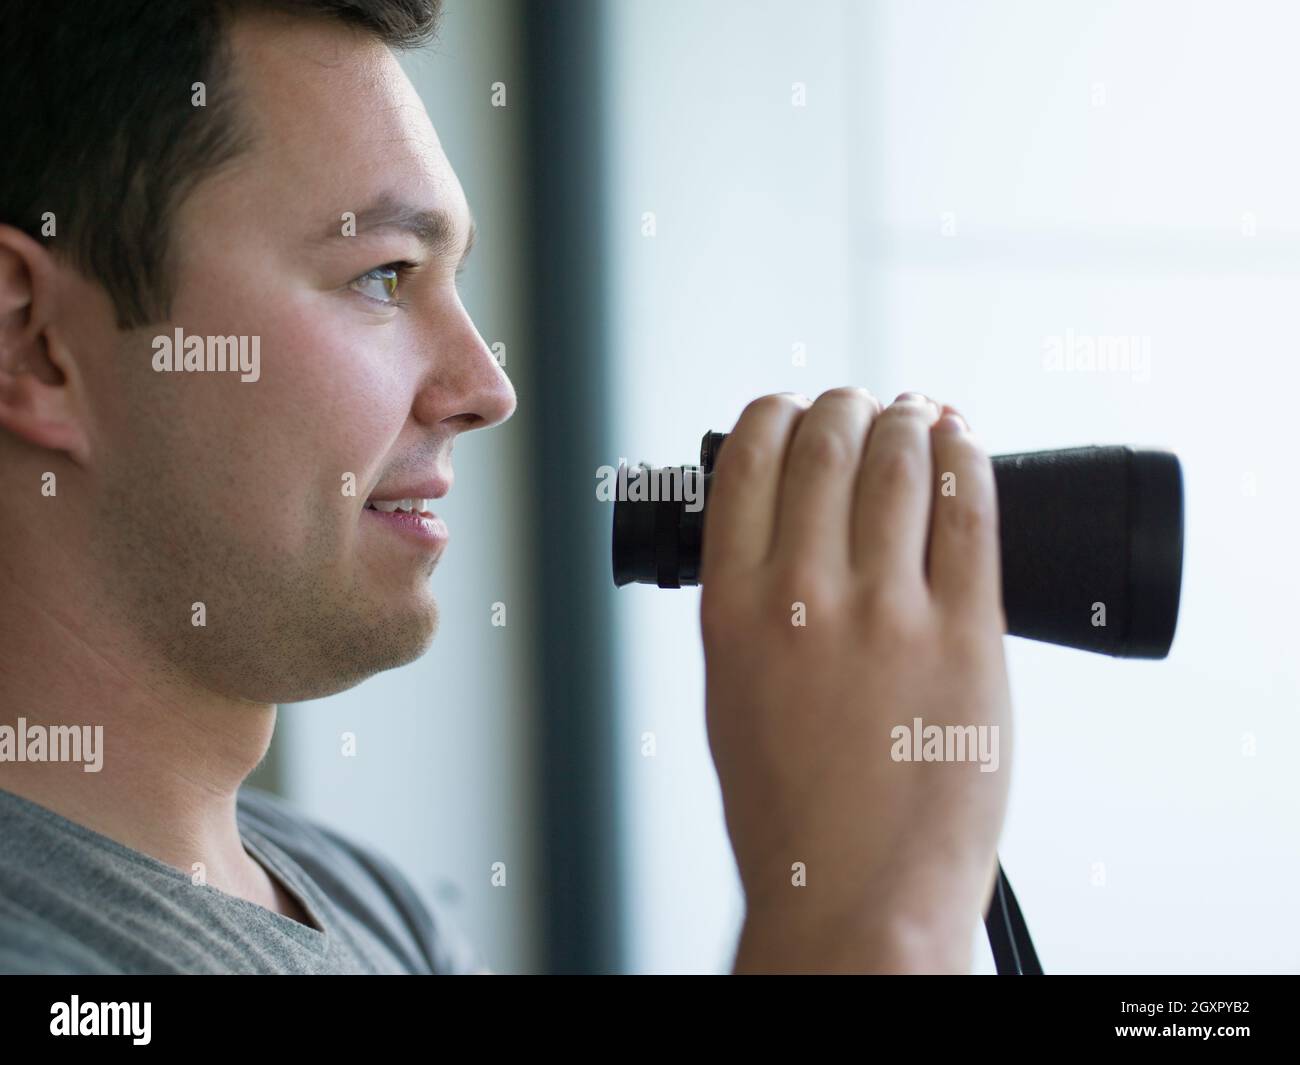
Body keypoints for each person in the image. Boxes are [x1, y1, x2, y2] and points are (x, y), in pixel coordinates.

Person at [0, 0, 1011, 974]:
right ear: (35, 347)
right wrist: (867, 919)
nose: (486, 389)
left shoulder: (361, 902)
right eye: (384, 276)